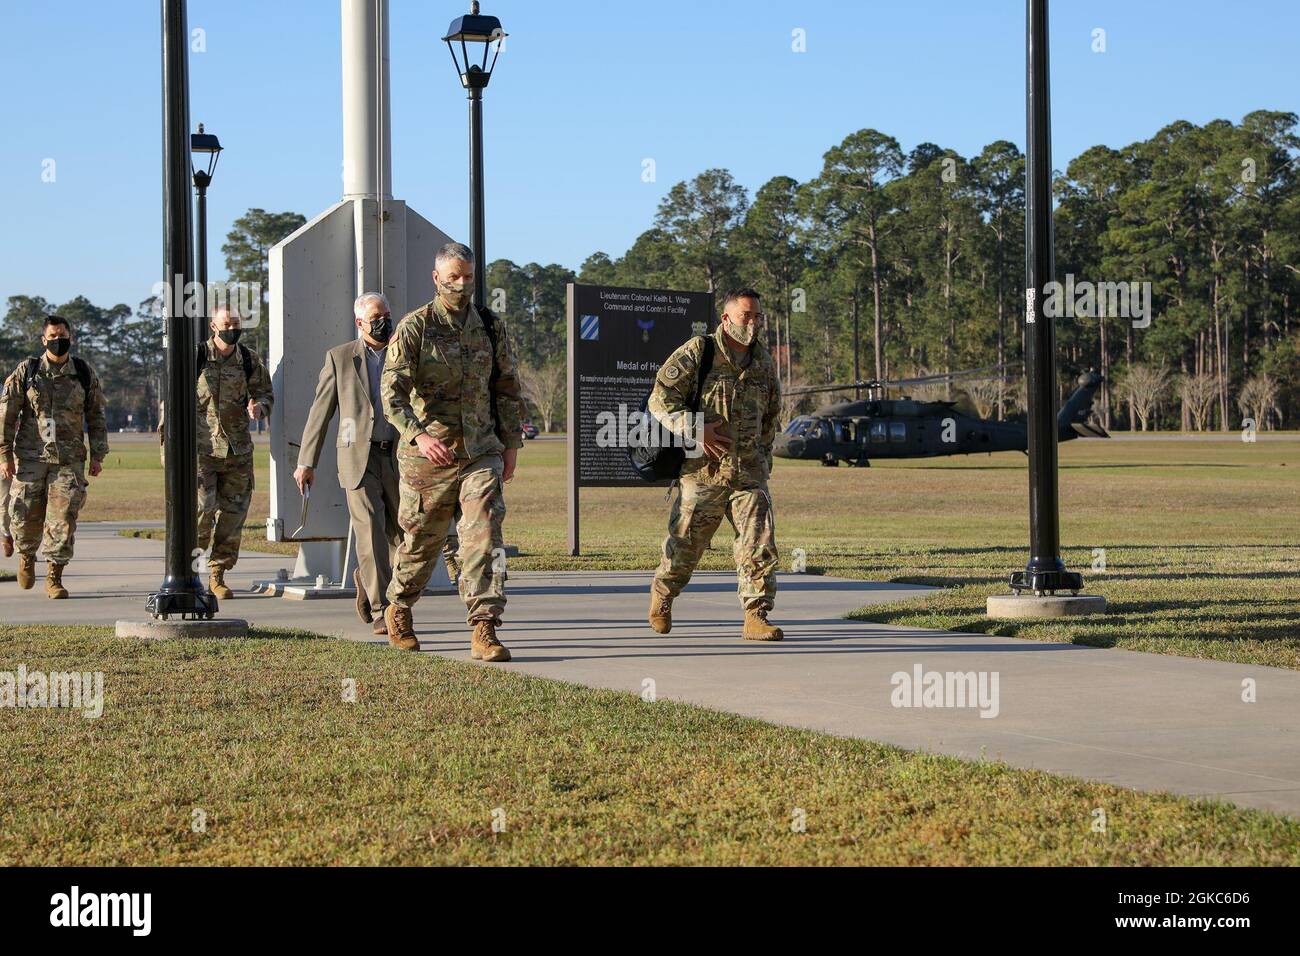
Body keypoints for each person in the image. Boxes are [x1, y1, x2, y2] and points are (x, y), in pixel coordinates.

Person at [380, 241, 524, 660]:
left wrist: (511, 443)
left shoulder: (490, 326)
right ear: (436, 278)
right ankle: (399, 606)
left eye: (468, 278)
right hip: (429, 456)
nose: (462, 285)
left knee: (484, 535)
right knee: (421, 542)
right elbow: (392, 395)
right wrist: (420, 436)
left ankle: (485, 627)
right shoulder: (416, 327)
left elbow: (506, 388)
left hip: (480, 451)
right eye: (454, 277)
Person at [647, 288, 784, 641]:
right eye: (746, 316)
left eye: (758, 317)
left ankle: (756, 615)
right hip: (704, 471)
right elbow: (660, 400)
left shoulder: (763, 362)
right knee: (685, 545)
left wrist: (764, 457)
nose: (753, 323)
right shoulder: (699, 351)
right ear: (726, 318)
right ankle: (663, 597)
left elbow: (772, 414)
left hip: (750, 472)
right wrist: (694, 429)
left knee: (758, 544)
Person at [294, 293, 402, 639]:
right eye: (376, 317)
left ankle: (383, 590)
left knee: (403, 536)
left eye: (386, 314)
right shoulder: (340, 359)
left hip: (399, 456)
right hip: (358, 458)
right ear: (360, 323)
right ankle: (382, 609)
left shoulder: (404, 352)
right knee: (370, 529)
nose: (384, 321)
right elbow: (320, 412)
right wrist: (306, 461)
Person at [0, 315, 108, 598]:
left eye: (62, 335)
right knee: (24, 518)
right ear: (43, 340)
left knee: (63, 519)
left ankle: (54, 576)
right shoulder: (27, 371)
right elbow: (6, 415)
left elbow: (96, 415)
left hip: (68, 460)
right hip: (30, 457)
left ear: (70, 338)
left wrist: (98, 454)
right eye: (52, 336)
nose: (57, 340)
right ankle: (26, 556)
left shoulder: (84, 373)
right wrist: (4, 454)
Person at [195, 304, 273, 599]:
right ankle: (193, 574)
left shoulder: (249, 360)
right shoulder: (198, 357)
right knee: (201, 513)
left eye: (236, 324)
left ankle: (218, 574)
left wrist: (260, 406)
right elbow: (173, 404)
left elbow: (264, 392)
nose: (232, 330)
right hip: (202, 451)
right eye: (226, 324)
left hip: (237, 451)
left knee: (233, 515)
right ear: (214, 326)